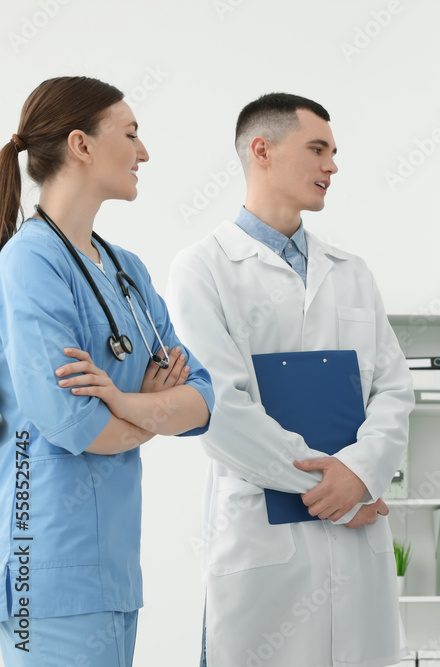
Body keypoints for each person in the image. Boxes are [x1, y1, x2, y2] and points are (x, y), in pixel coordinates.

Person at [167, 93, 413, 667]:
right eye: (318, 149)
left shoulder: (352, 272)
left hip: (357, 537)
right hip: (263, 535)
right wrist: (336, 494)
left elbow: (395, 389)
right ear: (263, 151)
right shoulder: (202, 268)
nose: (333, 166)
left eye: (333, 152)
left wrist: (359, 474)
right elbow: (220, 408)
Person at [0, 76, 214, 666]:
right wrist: (147, 412)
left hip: (115, 572)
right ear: (81, 145)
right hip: (47, 567)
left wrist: (124, 405)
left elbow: (202, 398)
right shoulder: (29, 264)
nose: (143, 152)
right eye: (131, 134)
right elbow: (72, 424)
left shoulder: (127, 270)